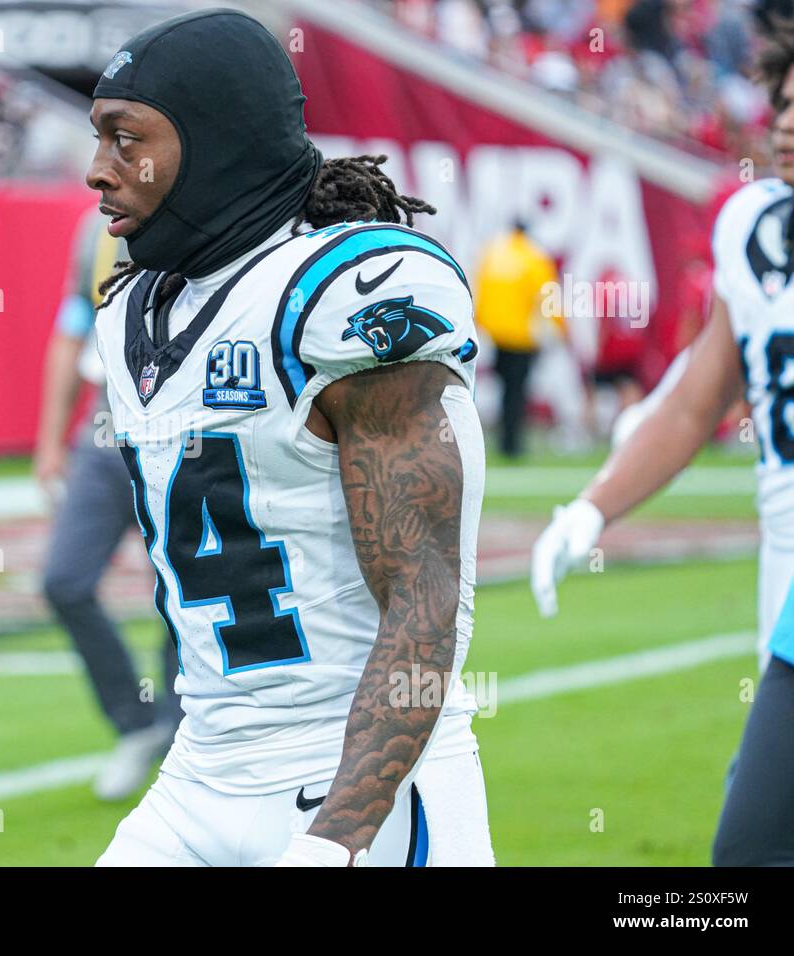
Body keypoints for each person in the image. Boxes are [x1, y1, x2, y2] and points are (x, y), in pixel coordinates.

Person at [86, 8, 492, 866]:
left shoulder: (344, 293)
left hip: (358, 781)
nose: (99, 172)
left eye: (128, 140)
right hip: (199, 774)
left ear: (215, 139)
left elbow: (426, 600)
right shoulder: (131, 313)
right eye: (99, 139)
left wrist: (338, 840)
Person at [531, 16, 794, 866]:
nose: (786, 120)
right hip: (784, 581)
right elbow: (693, 402)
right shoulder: (755, 227)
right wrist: (591, 507)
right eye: (782, 99)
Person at [37, 208, 183, 801]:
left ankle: (181, 736)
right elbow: (72, 326)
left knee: (183, 593)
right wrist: (49, 444)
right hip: (107, 425)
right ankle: (137, 722)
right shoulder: (95, 233)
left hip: (182, 431)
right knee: (64, 580)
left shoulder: (210, 214)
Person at [472, 219, 563, 458]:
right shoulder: (533, 257)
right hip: (522, 337)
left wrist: (478, 324)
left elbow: (480, 292)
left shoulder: (493, 254)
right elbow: (548, 295)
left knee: (504, 389)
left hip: (496, 336)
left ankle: (503, 441)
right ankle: (512, 444)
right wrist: (559, 327)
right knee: (517, 391)